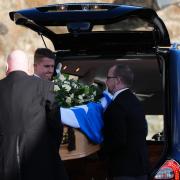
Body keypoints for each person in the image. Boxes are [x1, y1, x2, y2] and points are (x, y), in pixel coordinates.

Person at [0, 50, 68, 180]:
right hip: (38, 159)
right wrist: (49, 150)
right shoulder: (46, 86)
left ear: (7, 68)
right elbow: (55, 126)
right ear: (29, 67)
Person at [103, 64, 149, 180]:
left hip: (123, 169)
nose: (106, 81)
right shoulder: (135, 102)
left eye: (108, 78)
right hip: (141, 167)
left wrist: (101, 151)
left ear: (117, 80)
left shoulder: (117, 105)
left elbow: (117, 139)